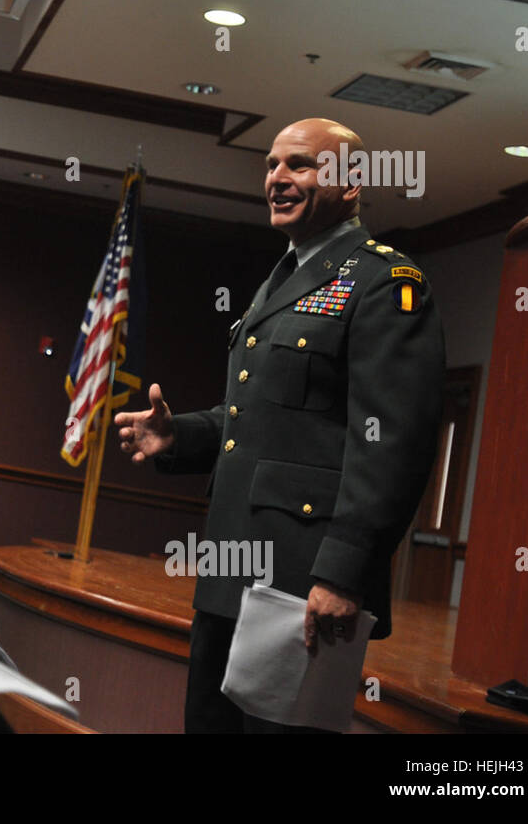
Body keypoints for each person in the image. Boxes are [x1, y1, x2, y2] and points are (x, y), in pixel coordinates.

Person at [114, 117, 445, 734]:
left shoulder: (384, 281)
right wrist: (179, 435)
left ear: (351, 183)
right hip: (230, 569)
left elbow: (394, 442)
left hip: (302, 580)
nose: (277, 179)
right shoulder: (284, 279)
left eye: (299, 164)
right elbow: (262, 420)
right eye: (271, 165)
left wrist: (344, 571)